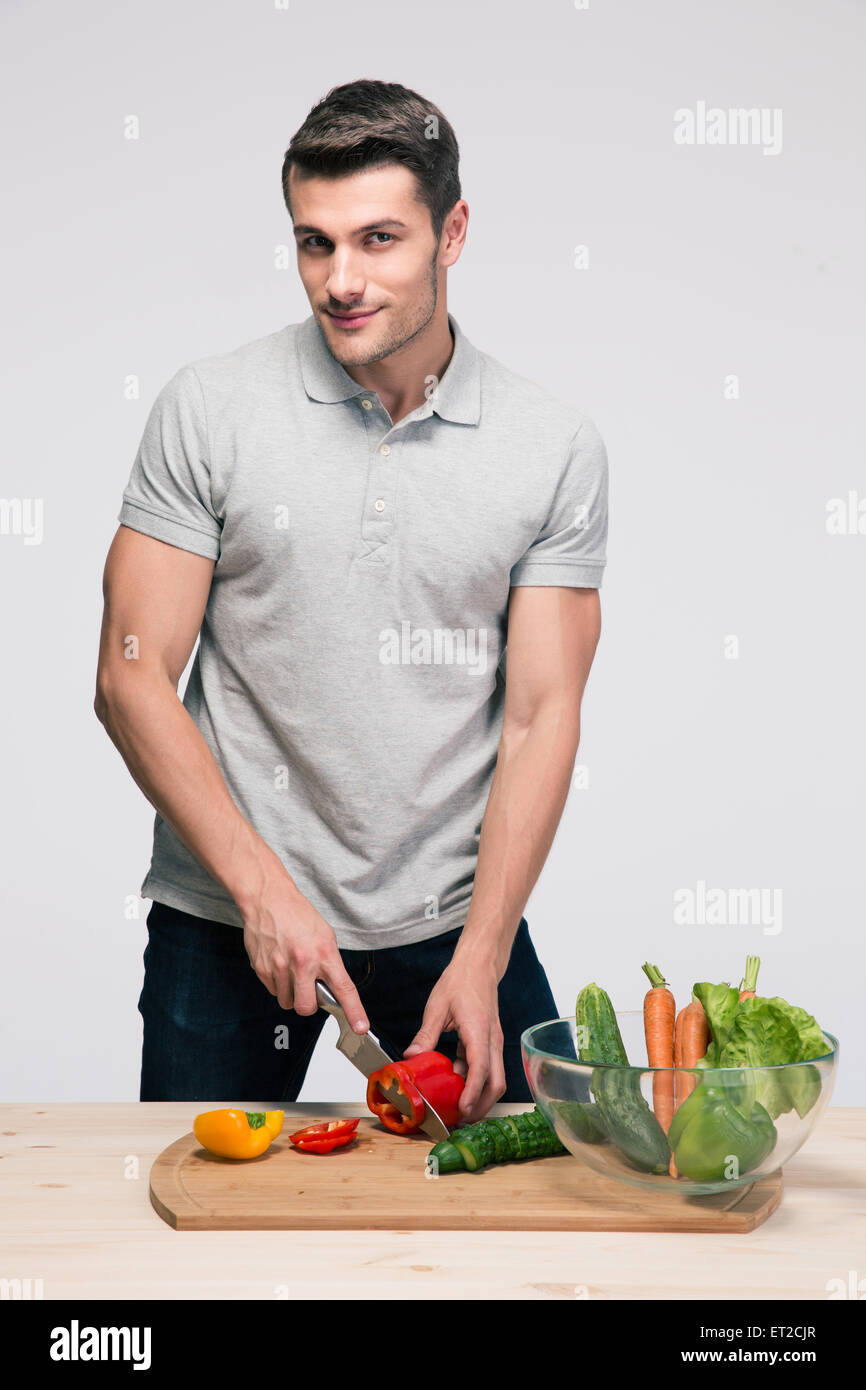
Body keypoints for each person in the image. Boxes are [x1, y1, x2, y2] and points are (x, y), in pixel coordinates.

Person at [94, 78, 609, 1123]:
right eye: (314, 243)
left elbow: (539, 714)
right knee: (197, 1246)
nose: (340, 279)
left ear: (451, 231)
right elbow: (130, 673)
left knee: (533, 1232)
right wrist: (261, 893)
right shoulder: (211, 408)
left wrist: (485, 948)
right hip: (226, 915)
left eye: (378, 239)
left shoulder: (548, 448)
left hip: (453, 920)